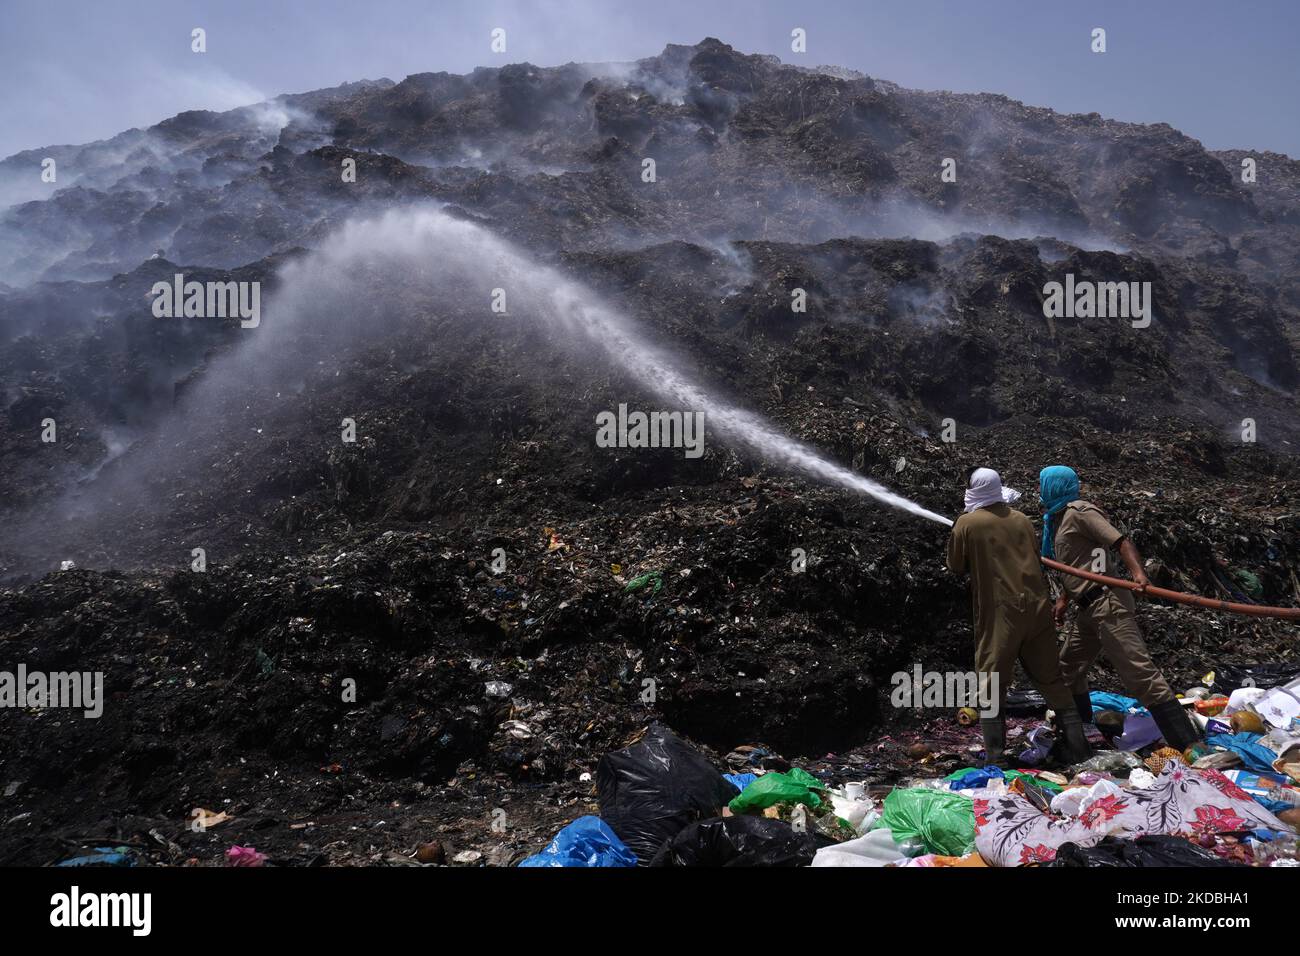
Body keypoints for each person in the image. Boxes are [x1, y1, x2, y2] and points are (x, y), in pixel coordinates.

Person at [1038, 465, 1200, 751]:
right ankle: (1082, 728)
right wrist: (1063, 600)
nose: (1040, 490)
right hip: (1087, 609)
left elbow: (1120, 541)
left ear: (1055, 486)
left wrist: (1139, 575)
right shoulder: (1059, 518)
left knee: (1140, 674)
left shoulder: (1081, 512)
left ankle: (1189, 745)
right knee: (1067, 668)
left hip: (1107, 603)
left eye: (1043, 484)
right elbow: (1077, 567)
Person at [946, 467, 1091, 766]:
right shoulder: (1021, 518)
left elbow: (956, 565)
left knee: (991, 681)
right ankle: (1079, 750)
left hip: (1001, 614)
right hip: (1038, 609)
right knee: (1051, 679)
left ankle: (997, 758)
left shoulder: (967, 523)